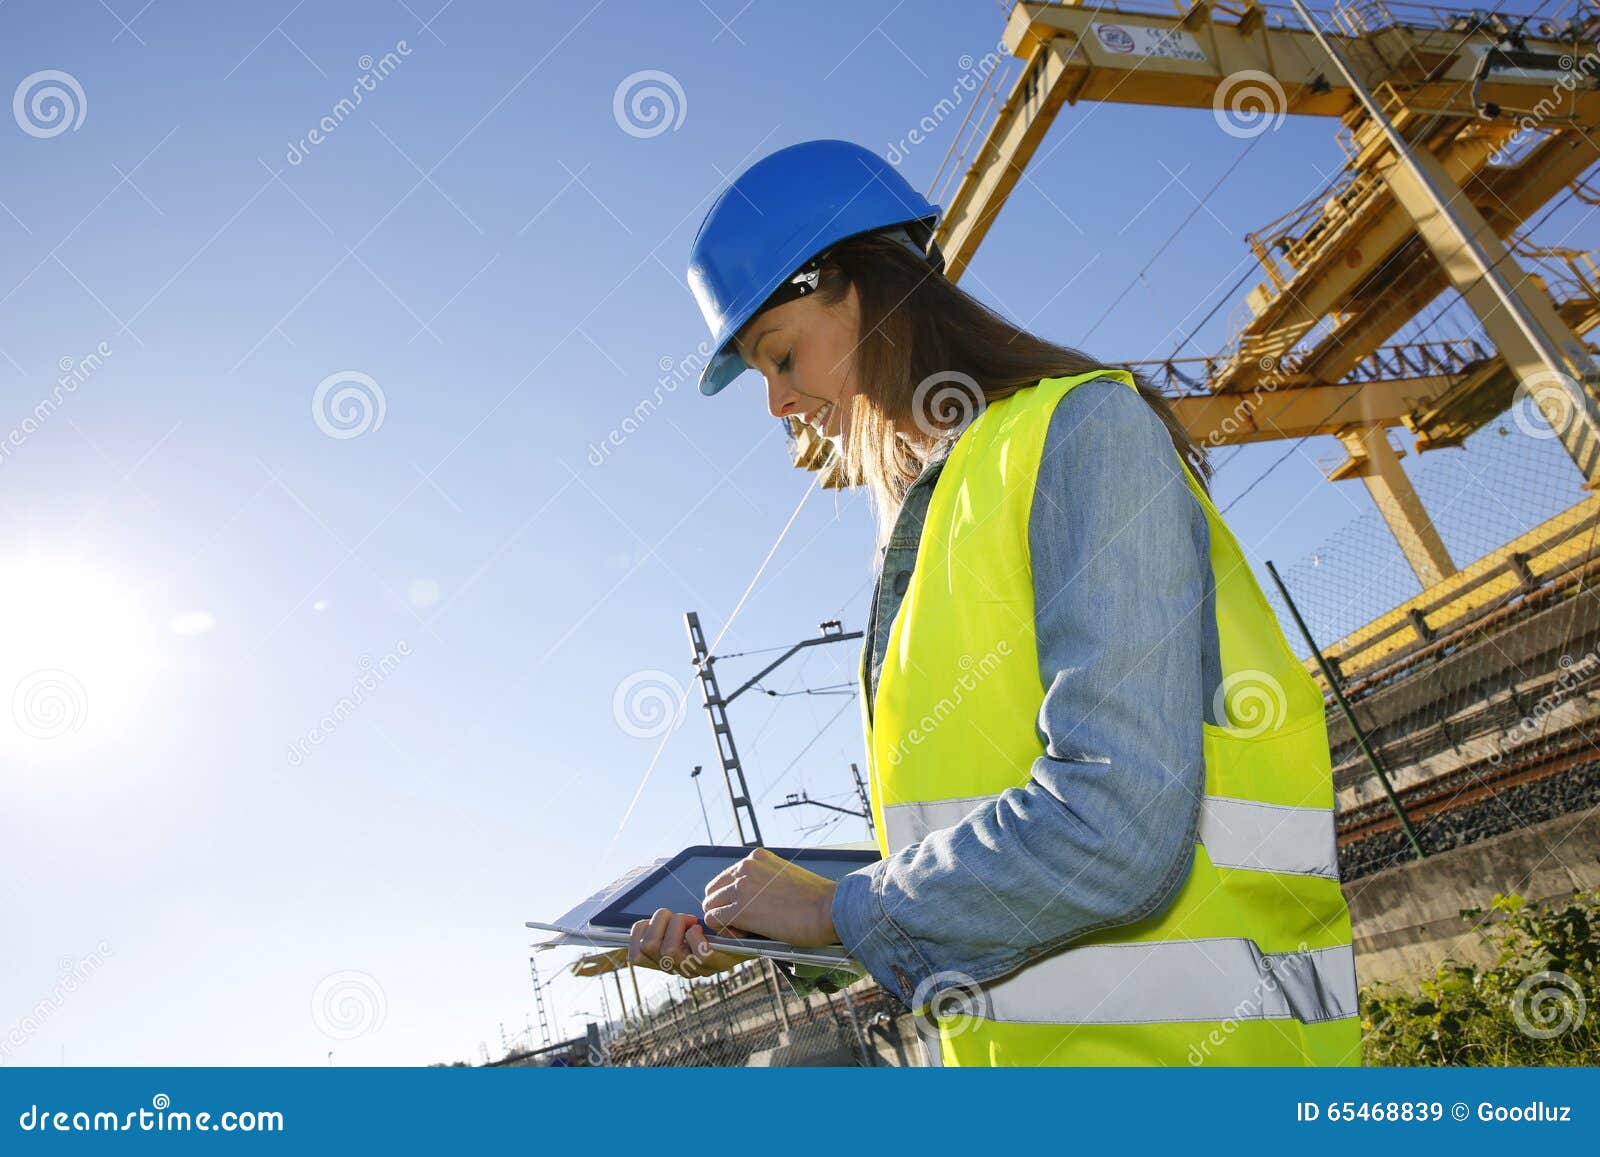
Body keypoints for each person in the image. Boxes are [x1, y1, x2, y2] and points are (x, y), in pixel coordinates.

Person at [628, 139, 1361, 1067]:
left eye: (779, 355)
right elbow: (975, 870)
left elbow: (1116, 824)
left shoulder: (1083, 432)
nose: (775, 402)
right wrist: (785, 923)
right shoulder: (932, 524)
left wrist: (833, 910)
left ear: (863, 285)